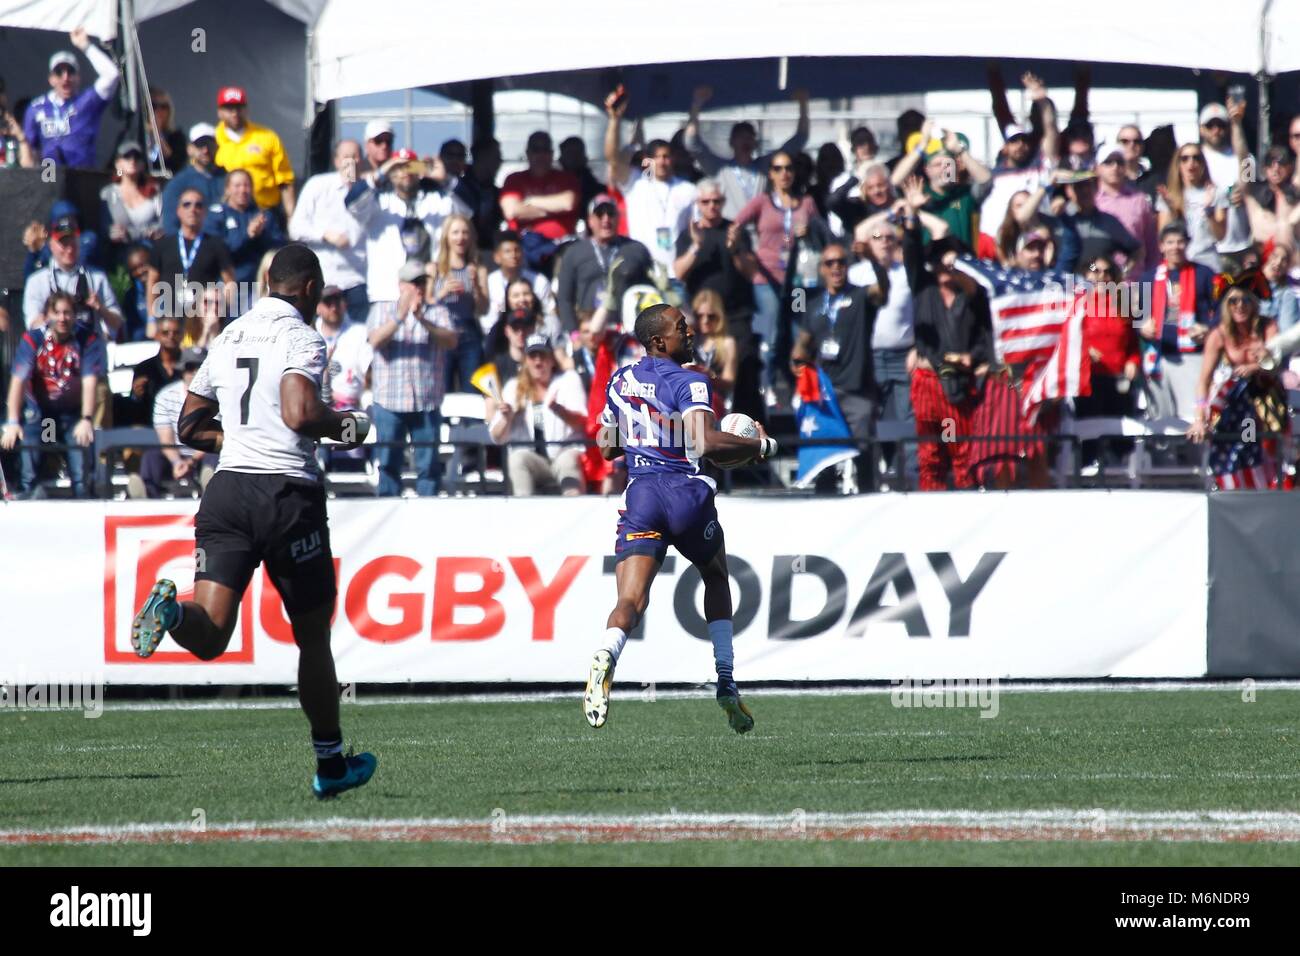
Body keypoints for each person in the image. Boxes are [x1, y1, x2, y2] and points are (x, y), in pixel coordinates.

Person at [129, 245, 375, 799]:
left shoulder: (231, 334)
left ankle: (169, 610)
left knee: (212, 633)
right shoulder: (302, 337)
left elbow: (188, 423)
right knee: (312, 637)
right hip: (286, 495)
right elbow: (299, 412)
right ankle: (331, 765)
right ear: (310, 289)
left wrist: (239, 438)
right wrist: (346, 426)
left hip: (228, 491)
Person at [582, 303, 776, 733]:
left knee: (630, 602)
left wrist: (637, 434)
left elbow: (609, 447)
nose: (690, 334)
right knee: (717, 576)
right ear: (658, 341)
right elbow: (705, 443)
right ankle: (725, 679)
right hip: (687, 494)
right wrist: (761, 447)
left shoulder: (619, 380)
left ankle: (605, 656)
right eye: (681, 329)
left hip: (643, 496)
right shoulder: (692, 382)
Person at [732, 151, 827, 399]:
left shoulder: (806, 202)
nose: (784, 173)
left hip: (798, 281)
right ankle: (767, 386)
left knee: (799, 333)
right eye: (778, 168)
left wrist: (810, 231)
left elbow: (823, 234)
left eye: (788, 168)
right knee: (771, 335)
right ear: (770, 174)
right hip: (768, 280)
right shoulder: (762, 202)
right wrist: (745, 255)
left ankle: (802, 389)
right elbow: (736, 225)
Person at [366, 259, 459, 497]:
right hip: (389, 402)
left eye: (421, 282)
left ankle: (427, 515)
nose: (418, 288)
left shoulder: (438, 311)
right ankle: (387, 513)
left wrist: (422, 320)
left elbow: (451, 340)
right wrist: (400, 317)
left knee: (428, 467)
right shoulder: (382, 310)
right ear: (400, 285)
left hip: (426, 401)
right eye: (413, 283)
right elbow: (375, 341)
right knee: (388, 465)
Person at [791, 242, 879, 490]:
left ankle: (871, 505)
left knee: (863, 452)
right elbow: (802, 345)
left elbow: (883, 290)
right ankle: (825, 507)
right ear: (821, 269)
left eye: (841, 262)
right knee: (825, 457)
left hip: (857, 390)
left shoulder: (861, 296)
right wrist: (797, 362)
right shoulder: (815, 305)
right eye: (830, 263)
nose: (836, 267)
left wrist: (872, 258)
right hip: (825, 394)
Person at [1, 292, 104, 498]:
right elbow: (18, 380)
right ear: (47, 315)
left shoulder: (88, 339)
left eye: (67, 313)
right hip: (40, 415)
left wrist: (86, 419)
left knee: (80, 473)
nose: (62, 318)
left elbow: (90, 381)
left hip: (72, 415)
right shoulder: (33, 338)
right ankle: (27, 498)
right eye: (56, 312)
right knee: (29, 467)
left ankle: (83, 505)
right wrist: (13, 422)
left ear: (75, 315)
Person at [911, 239, 995, 490]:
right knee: (930, 455)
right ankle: (930, 506)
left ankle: (966, 508)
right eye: (943, 263)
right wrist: (913, 224)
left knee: (961, 451)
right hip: (927, 385)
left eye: (954, 263)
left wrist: (973, 357)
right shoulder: (923, 290)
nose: (947, 268)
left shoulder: (972, 296)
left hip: (956, 386)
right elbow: (910, 251)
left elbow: (985, 337)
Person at [346, 148, 470, 313]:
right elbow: (351, 204)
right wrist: (382, 172)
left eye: (411, 167)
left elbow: (469, 209)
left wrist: (445, 178)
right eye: (398, 168)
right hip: (387, 295)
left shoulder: (437, 200)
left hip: (433, 294)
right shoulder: (378, 202)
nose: (405, 172)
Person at [604, 87, 697, 275]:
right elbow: (613, 158)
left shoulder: (688, 189)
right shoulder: (636, 183)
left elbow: (696, 229)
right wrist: (615, 120)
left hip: (675, 272)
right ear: (649, 160)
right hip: (641, 269)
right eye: (658, 157)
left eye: (667, 157)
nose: (663, 161)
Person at [684, 84, 810, 219]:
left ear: (755, 143)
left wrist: (803, 105)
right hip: (731, 233)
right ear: (731, 142)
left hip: (760, 233)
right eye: (740, 137)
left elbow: (799, 140)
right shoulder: (720, 168)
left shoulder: (765, 166)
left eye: (749, 137)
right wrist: (696, 104)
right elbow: (692, 143)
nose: (745, 141)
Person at [487, 333, 588, 495]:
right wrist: (507, 418)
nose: (538, 361)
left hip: (564, 452)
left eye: (543, 356)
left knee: (569, 460)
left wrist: (559, 410)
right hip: (533, 460)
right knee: (517, 458)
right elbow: (497, 437)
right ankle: (523, 512)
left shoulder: (569, 380)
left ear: (552, 360)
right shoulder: (513, 387)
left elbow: (582, 422)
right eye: (533, 356)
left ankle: (575, 511)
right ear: (525, 361)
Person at [1137, 222, 1219, 419]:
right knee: (1160, 421)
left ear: (1188, 244)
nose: (1175, 247)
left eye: (1180, 242)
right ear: (1161, 246)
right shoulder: (1147, 278)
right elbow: (1132, 315)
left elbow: (1222, 310)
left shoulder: (1205, 274)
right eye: (1170, 242)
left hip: (1192, 355)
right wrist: (1140, 327)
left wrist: (1208, 329)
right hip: (1156, 357)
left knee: (1192, 417)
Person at [289, 140, 369, 324]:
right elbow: (296, 227)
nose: (351, 162)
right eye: (346, 157)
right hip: (324, 278)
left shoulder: (368, 191)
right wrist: (325, 235)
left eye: (355, 157)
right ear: (336, 161)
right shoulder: (318, 185)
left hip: (356, 280)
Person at [20, 29, 120, 169]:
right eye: (59, 72)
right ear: (51, 79)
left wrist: (86, 46)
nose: (65, 77)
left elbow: (112, 75)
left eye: (71, 71)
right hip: (49, 178)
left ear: (78, 77)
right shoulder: (36, 108)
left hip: (82, 177)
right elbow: (30, 151)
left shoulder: (88, 101)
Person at [555, 193, 651, 332]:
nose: (606, 219)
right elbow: (564, 299)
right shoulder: (573, 252)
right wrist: (573, 334)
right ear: (590, 220)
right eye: (600, 214)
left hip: (627, 327)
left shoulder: (636, 250)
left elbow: (649, 291)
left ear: (618, 218)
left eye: (611, 214)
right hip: (588, 328)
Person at [22, 211, 123, 338]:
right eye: (63, 244)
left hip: (89, 351)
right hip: (52, 352)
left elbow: (117, 324)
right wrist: (55, 317)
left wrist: (100, 308)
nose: (69, 249)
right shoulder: (36, 281)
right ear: (51, 245)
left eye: (72, 242)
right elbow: (32, 325)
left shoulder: (97, 278)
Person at [146, 188, 238, 329]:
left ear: (205, 212)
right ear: (178, 211)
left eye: (198, 205)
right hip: (170, 321)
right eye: (187, 204)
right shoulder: (163, 245)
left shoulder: (216, 245)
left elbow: (230, 282)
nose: (193, 209)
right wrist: (151, 320)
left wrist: (222, 315)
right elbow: (152, 281)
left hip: (203, 320)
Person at [130, 347, 215, 498]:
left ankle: (213, 490)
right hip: (174, 453)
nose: (195, 372)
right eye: (190, 367)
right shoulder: (165, 396)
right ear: (182, 370)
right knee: (151, 457)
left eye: (200, 367)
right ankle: (145, 495)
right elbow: (166, 440)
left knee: (214, 457)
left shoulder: (217, 396)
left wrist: (192, 461)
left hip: (203, 453)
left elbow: (215, 436)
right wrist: (177, 462)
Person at [498, 131, 580, 271]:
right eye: (536, 150)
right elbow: (511, 211)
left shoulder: (567, 178)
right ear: (528, 153)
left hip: (560, 248)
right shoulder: (514, 179)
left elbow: (567, 203)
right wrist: (553, 211)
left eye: (545, 150)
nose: (540, 155)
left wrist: (530, 200)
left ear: (552, 154)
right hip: (523, 248)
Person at [213, 86, 296, 220]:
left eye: (239, 108)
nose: (235, 113)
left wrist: (291, 217)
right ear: (220, 112)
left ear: (246, 110)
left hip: (266, 211)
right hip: (228, 214)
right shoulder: (212, 140)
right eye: (229, 108)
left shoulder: (267, 137)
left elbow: (285, 182)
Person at [431, 214, 489, 392]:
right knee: (442, 390)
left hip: (468, 332)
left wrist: (476, 286)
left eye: (465, 232)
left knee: (471, 391)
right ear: (446, 236)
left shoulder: (478, 269)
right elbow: (426, 304)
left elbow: (483, 309)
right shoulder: (434, 268)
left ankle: (470, 422)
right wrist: (442, 292)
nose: (460, 238)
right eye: (455, 232)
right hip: (442, 332)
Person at [207, 169, 286, 286]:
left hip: (258, 283)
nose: (243, 190)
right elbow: (216, 252)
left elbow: (278, 247)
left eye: (247, 185)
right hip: (226, 284)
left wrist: (261, 235)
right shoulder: (216, 215)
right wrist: (248, 235)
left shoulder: (264, 215)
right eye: (237, 186)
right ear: (227, 189)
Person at [1156, 144, 1227, 272]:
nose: (1191, 163)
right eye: (1185, 158)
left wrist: (1209, 211)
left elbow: (1220, 236)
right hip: (1178, 264)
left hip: (1209, 263)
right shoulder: (1170, 196)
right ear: (1178, 164)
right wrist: (1172, 209)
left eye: (1196, 158)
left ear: (1203, 163)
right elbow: (1163, 236)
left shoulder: (1216, 193)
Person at [99, 141, 163, 261]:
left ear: (143, 164)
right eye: (127, 157)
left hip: (151, 253)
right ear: (118, 164)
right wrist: (113, 232)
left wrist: (131, 233)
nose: (132, 160)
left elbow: (163, 224)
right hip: (120, 255)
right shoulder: (108, 193)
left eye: (137, 157)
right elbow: (105, 228)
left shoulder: (155, 191)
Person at [160, 124, 226, 235]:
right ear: (190, 149)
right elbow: (170, 225)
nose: (205, 150)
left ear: (217, 146)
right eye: (200, 145)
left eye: (209, 144)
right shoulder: (178, 183)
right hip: (194, 245)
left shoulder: (229, 179)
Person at [486, 231, 557, 327]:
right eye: (508, 251)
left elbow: (550, 312)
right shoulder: (490, 282)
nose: (514, 255)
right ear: (496, 257)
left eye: (517, 250)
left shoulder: (539, 281)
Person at [690, 289, 738, 405]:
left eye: (711, 316)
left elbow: (729, 382)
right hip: (689, 398)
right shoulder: (689, 340)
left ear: (719, 316)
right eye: (699, 316)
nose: (705, 321)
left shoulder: (727, 343)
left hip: (716, 400)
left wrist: (708, 376)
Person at [147, 86, 188, 175]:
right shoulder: (136, 135)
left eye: (163, 107)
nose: (158, 111)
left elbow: (177, 163)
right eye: (153, 106)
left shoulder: (176, 137)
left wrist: (156, 133)